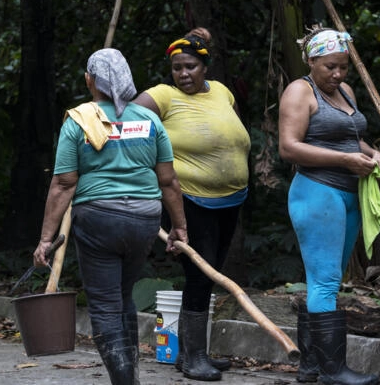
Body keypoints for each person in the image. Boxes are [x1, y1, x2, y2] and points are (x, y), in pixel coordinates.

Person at [34, 48, 189, 385]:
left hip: (99, 219)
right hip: (145, 219)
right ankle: (129, 376)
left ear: (90, 80)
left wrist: (46, 239)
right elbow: (169, 181)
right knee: (123, 296)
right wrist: (179, 228)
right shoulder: (149, 120)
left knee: (105, 305)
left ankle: (124, 381)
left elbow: (63, 184)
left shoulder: (79, 120)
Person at [133, 28, 251, 382]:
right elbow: (122, 125)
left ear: (205, 67)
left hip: (231, 199)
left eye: (191, 67)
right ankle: (195, 355)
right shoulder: (161, 96)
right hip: (189, 200)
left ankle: (189, 352)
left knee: (212, 271)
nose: (183, 74)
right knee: (200, 273)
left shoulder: (222, 92)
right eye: (177, 68)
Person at [278, 26, 380, 385]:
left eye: (343, 67)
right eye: (329, 67)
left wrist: (373, 152)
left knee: (327, 282)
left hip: (349, 193)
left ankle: (310, 368)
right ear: (311, 61)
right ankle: (332, 370)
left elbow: (350, 137)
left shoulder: (345, 91)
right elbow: (289, 147)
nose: (337, 74)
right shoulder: (299, 91)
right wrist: (345, 162)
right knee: (325, 283)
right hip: (317, 192)